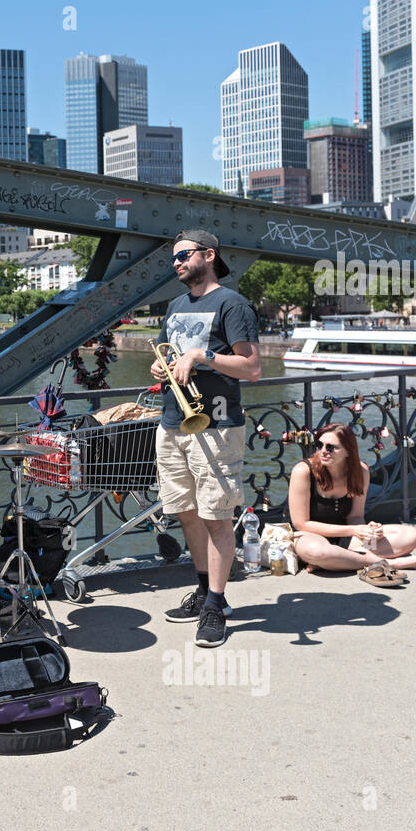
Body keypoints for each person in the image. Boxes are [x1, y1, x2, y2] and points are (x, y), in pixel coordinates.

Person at [151, 230, 262, 648]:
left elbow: (252, 368)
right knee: (187, 511)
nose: (176, 263)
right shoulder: (176, 306)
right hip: (173, 422)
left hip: (216, 424)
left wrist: (202, 356)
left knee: (217, 516)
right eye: (173, 258)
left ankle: (217, 604)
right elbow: (171, 355)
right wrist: (162, 369)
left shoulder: (232, 304)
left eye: (183, 255)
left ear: (208, 255)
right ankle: (203, 589)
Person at [288, 423, 416, 579]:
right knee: (318, 552)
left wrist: (368, 530)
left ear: (348, 451)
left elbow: (355, 517)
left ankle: (336, 561)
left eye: (330, 447)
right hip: (310, 536)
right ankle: (388, 563)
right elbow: (301, 524)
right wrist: (354, 530)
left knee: (411, 535)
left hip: (347, 539)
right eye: (319, 445)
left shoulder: (360, 471)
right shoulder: (303, 471)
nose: (322, 451)